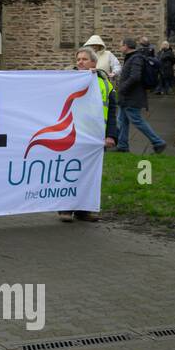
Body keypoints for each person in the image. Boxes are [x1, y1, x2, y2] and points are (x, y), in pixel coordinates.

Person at [58, 47, 118, 222]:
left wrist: (111, 136)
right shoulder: (70, 79)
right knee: (70, 171)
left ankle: (84, 210)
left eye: (84, 59)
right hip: (74, 135)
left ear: (94, 62)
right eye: (78, 59)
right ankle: (66, 209)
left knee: (90, 174)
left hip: (96, 137)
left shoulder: (105, 84)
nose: (80, 62)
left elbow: (112, 111)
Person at [115, 36, 167, 154]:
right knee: (122, 121)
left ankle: (158, 142)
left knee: (138, 121)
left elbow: (135, 77)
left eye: (121, 45)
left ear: (126, 46)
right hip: (126, 97)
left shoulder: (136, 58)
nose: (119, 47)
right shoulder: (130, 58)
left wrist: (122, 87)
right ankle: (122, 146)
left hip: (132, 97)